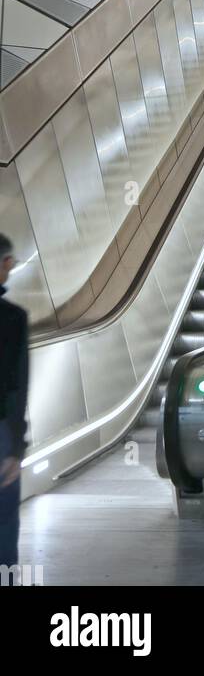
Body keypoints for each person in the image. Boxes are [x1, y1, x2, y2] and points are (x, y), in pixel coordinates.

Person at [0, 233, 27, 573]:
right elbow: (16, 389)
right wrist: (17, 448)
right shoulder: (11, 318)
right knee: (3, 524)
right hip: (1, 434)